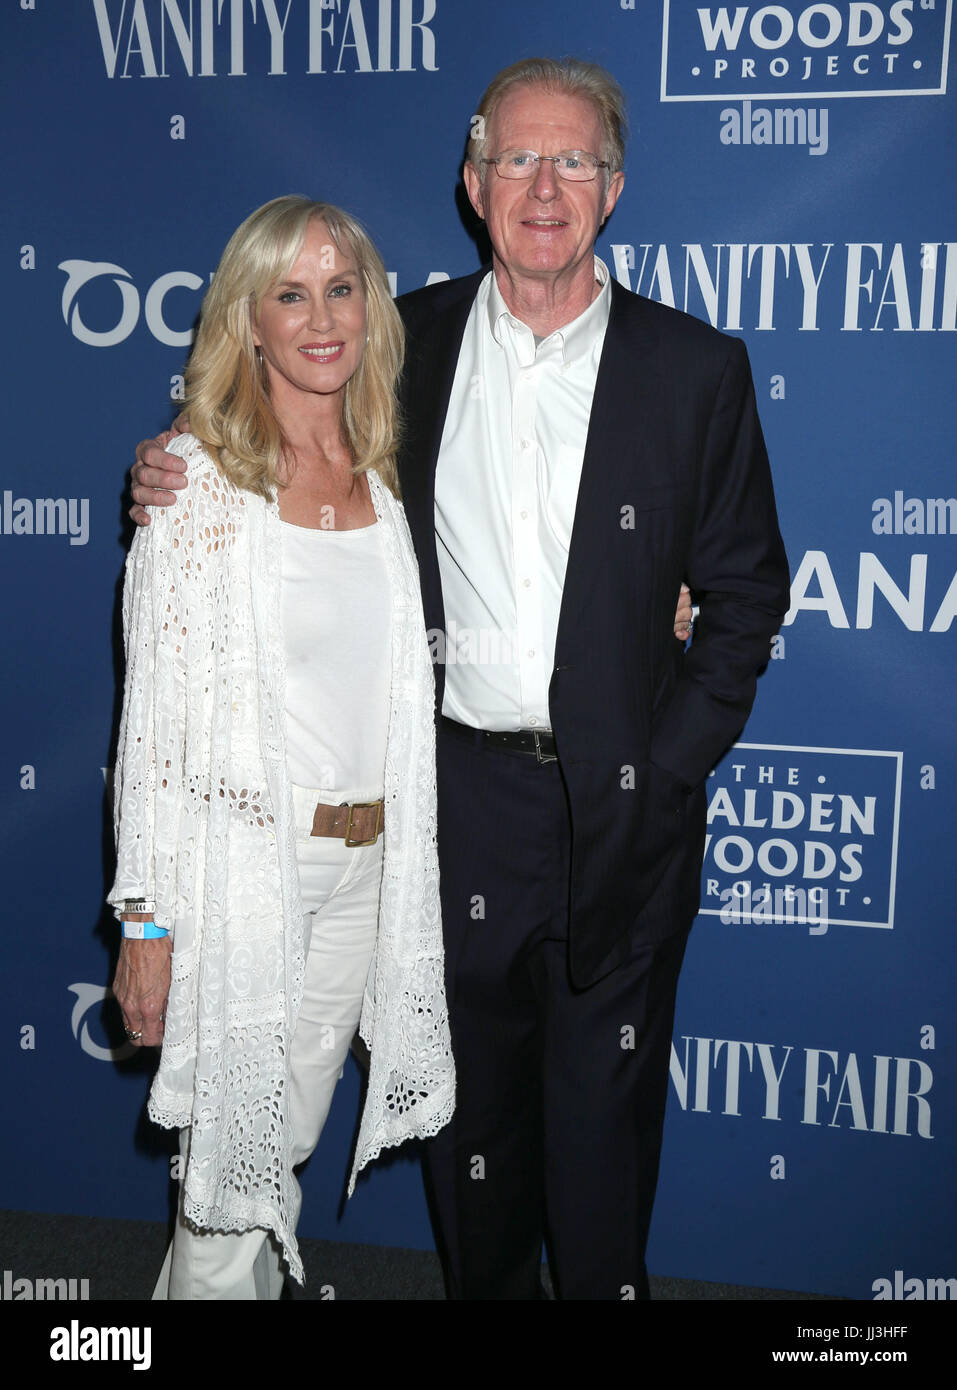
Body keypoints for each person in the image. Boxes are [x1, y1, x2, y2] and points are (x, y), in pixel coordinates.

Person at [132, 57, 789, 1301]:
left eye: (576, 161)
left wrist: (668, 768)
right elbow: (265, 445)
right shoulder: (401, 346)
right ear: (475, 181)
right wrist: (164, 470)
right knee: (471, 1136)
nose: (546, 186)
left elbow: (748, 596)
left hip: (624, 812)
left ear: (616, 185)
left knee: (603, 1140)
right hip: (452, 814)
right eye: (519, 160)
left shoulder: (695, 369)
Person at [110, 194, 454, 1300]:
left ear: (370, 307)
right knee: (230, 1178)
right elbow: (153, 739)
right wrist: (147, 927)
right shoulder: (199, 485)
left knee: (277, 1155)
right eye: (290, 295)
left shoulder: (388, 469)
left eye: (340, 290)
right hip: (247, 878)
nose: (320, 319)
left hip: (367, 873)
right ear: (246, 321)